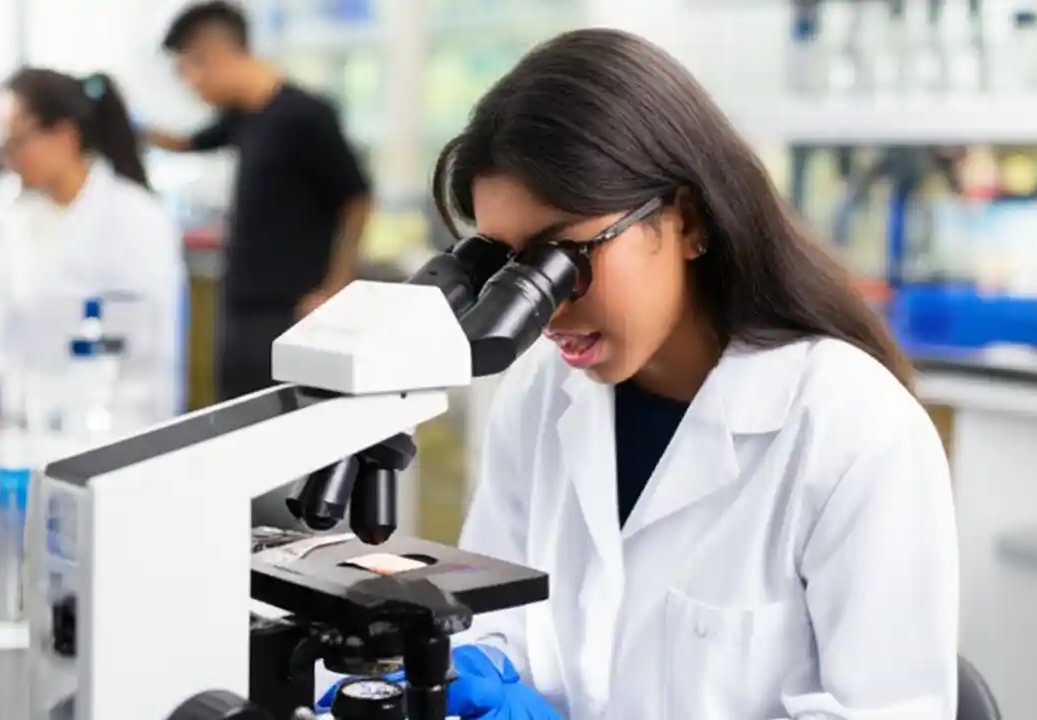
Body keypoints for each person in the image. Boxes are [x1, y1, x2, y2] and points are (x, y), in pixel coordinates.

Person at [327, 29, 959, 719]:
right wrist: (456, 676)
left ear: (687, 220)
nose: (544, 307)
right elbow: (502, 626)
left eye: (564, 256)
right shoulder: (540, 394)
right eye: (511, 267)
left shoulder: (854, 431)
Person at [149, 1, 371, 400]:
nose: (191, 87)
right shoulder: (242, 119)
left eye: (188, 72)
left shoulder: (305, 115)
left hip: (293, 312)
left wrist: (335, 287)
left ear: (214, 56)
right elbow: (184, 143)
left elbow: (356, 199)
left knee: (286, 441)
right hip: (240, 309)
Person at [0, 68, 187, 425]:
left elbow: (146, 362)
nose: (9, 161)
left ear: (65, 135)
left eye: (16, 143)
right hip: (26, 433)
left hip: (115, 434)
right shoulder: (23, 220)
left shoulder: (139, 218)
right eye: (2, 147)